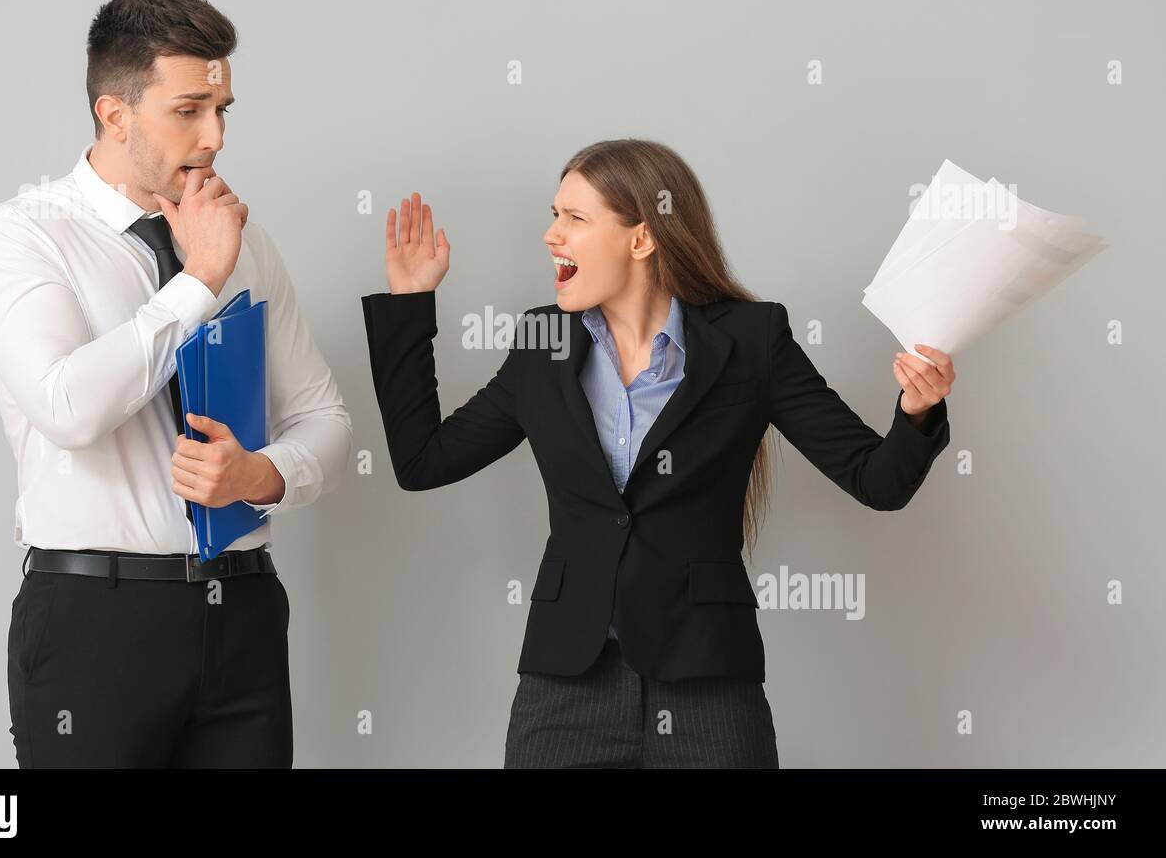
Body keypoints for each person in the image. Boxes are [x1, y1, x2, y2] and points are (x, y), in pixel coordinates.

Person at [360, 138, 953, 768]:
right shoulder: (543, 343)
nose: (551, 235)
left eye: (575, 219)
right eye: (554, 214)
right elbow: (423, 461)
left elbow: (876, 480)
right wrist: (408, 304)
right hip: (566, 684)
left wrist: (917, 413)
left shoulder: (752, 342)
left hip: (708, 682)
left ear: (641, 239)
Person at [0, 0, 352, 767]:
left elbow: (327, 418)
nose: (214, 137)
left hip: (242, 608)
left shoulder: (245, 240)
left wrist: (261, 472)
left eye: (223, 110)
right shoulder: (22, 234)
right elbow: (68, 407)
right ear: (115, 114)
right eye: (188, 111)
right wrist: (199, 282)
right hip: (94, 621)